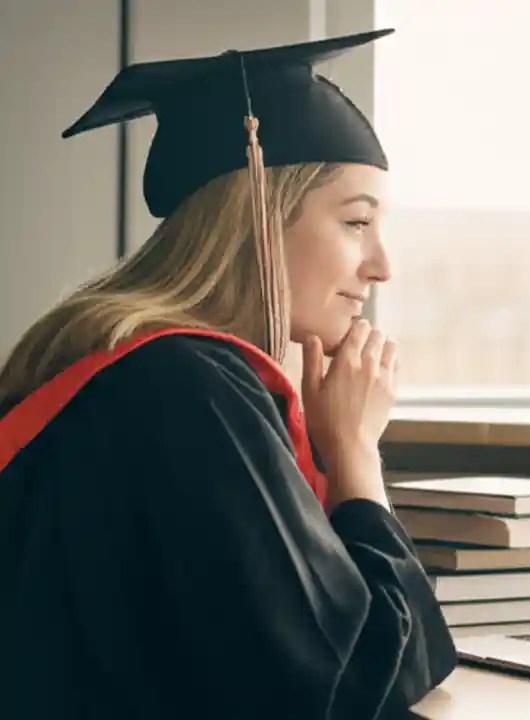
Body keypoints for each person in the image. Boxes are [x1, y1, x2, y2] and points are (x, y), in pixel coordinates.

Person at [0, 29, 457, 719]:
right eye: (356, 222)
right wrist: (356, 451)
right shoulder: (189, 387)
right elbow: (360, 685)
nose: (381, 265)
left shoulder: (110, 359)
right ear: (260, 221)